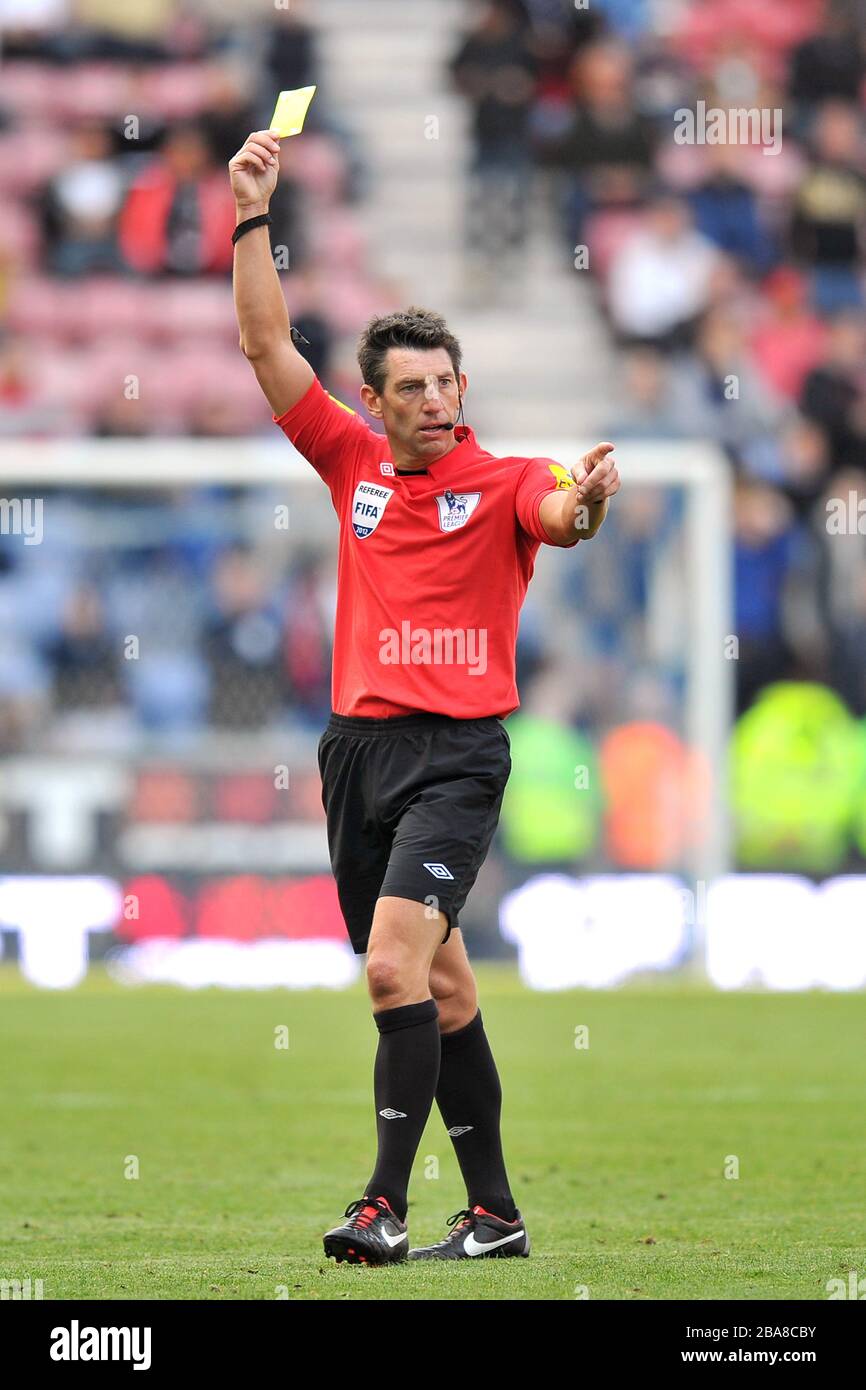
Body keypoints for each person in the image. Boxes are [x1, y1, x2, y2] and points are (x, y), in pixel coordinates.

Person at [229, 128, 620, 1265]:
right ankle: (494, 1215)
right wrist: (251, 209)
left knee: (391, 968)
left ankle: (380, 1205)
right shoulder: (347, 462)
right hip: (355, 754)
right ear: (375, 400)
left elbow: (564, 517)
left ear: (464, 388)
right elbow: (263, 342)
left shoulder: (505, 482)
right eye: (412, 388)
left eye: (447, 384)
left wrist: (588, 499)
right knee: (440, 986)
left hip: (456, 755)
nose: (436, 402)